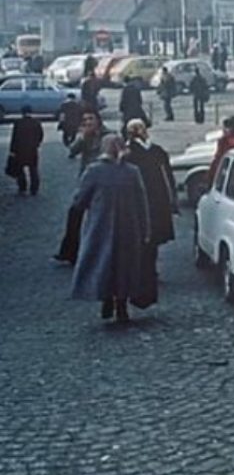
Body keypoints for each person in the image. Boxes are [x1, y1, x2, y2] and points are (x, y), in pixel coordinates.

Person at [70, 134, 150, 324]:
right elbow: (142, 202)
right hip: (128, 227)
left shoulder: (94, 171)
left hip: (100, 226)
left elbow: (80, 199)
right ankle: (121, 304)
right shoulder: (132, 171)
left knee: (103, 262)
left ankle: (106, 298)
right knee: (125, 266)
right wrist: (145, 228)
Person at [123, 118, 177, 305]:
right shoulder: (132, 152)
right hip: (146, 202)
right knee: (146, 239)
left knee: (151, 239)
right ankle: (145, 272)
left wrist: (171, 199)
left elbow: (167, 176)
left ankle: (149, 269)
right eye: (136, 129)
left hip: (155, 202)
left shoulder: (155, 150)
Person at [54, 108, 110, 264]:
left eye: (91, 119)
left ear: (98, 120)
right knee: (74, 212)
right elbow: (72, 151)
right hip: (86, 182)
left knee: (99, 219)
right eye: (85, 121)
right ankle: (69, 251)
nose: (88, 123)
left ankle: (99, 252)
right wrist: (82, 137)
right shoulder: (85, 137)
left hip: (103, 183)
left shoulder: (108, 136)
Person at [9, 104, 44, 196]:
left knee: (20, 170)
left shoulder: (18, 123)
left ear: (22, 113)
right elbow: (40, 135)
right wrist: (37, 144)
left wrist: (12, 150)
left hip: (20, 150)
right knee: (33, 169)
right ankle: (34, 189)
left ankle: (22, 187)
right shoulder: (36, 122)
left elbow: (14, 137)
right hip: (32, 149)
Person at [208, 116, 234, 186]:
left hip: (226, 177)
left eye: (228, 127)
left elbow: (218, 159)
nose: (225, 130)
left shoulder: (226, 141)